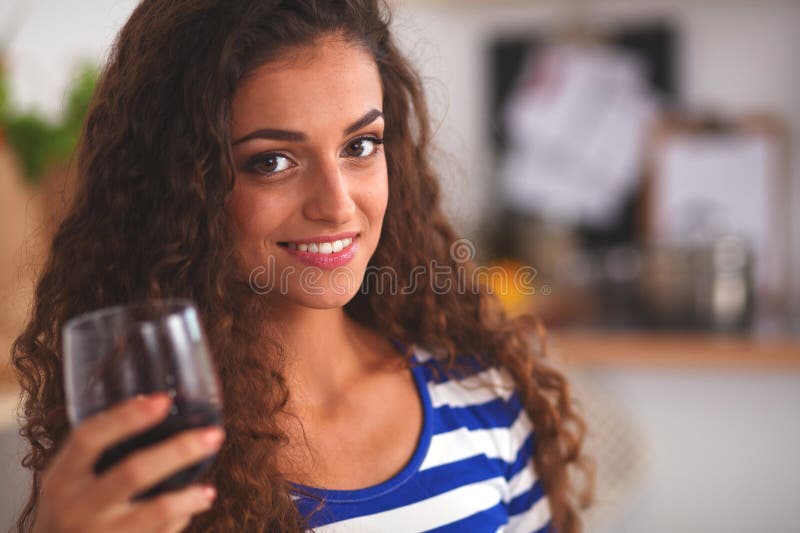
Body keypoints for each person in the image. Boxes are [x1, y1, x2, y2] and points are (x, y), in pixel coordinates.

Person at [11, 1, 591, 531]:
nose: (337, 203)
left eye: (359, 146)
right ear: (179, 188)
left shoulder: (482, 398)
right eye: (272, 160)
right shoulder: (152, 457)